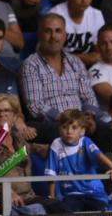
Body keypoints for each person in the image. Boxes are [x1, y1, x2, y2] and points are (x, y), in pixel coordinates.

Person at [21, 13, 100, 142]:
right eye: (48, 31)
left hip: (80, 121)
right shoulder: (31, 65)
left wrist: (89, 116)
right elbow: (35, 105)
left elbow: (88, 96)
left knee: (107, 129)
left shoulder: (75, 62)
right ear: (39, 35)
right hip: (53, 123)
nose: (53, 36)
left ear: (65, 35)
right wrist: (68, 120)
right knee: (63, 131)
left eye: (58, 31)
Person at [0, 94, 53, 215]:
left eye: (6, 110)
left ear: (14, 116)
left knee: (57, 207)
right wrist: (8, 192)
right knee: (34, 211)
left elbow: (33, 148)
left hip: (28, 197)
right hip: (1, 198)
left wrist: (57, 147)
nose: (1, 114)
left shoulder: (17, 138)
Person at [45, 109, 112, 211]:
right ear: (59, 129)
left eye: (74, 127)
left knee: (99, 212)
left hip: (94, 193)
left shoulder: (86, 141)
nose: (69, 131)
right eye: (64, 127)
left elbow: (99, 155)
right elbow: (51, 173)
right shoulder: (56, 144)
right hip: (72, 194)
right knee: (64, 211)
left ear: (82, 131)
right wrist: (51, 197)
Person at [49, 0, 105, 67]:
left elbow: (99, 52)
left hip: (87, 66)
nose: (84, 0)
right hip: (60, 66)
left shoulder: (96, 15)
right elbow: (50, 54)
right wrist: (83, 58)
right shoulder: (54, 15)